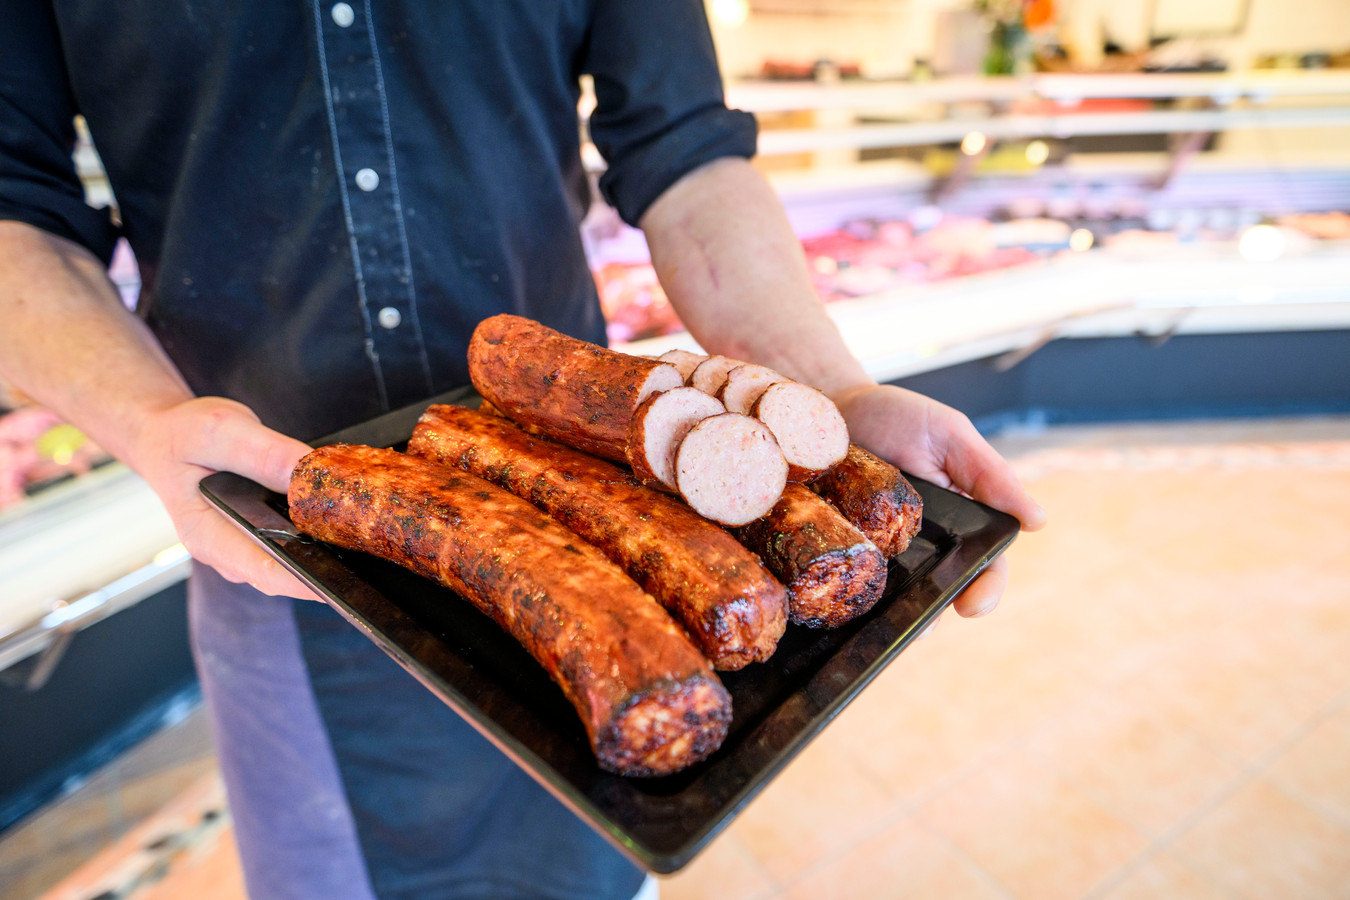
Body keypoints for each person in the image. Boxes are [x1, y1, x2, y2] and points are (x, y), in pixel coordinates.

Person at [0, 2, 1045, 898]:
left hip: (602, 477)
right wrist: (142, 421)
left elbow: (684, 153)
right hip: (276, 537)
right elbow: (14, 204)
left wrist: (834, 395)